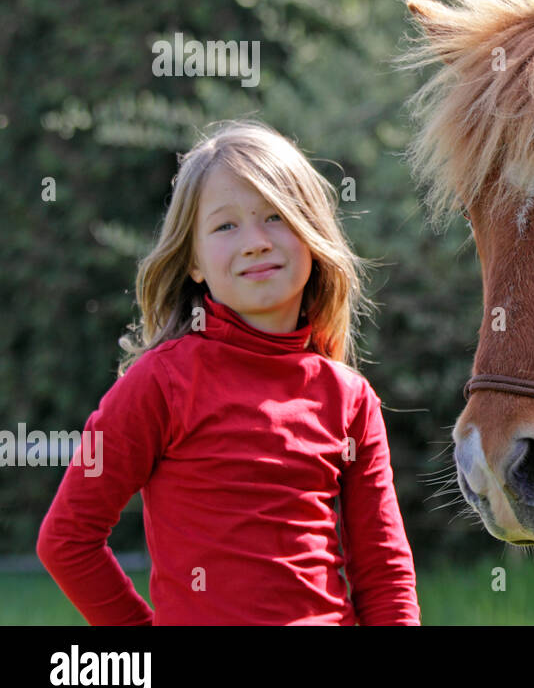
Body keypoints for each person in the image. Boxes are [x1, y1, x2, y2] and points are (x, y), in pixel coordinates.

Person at [37, 120, 421, 625]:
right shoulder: (160, 383)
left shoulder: (351, 399)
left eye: (275, 217)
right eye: (225, 226)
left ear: (312, 233)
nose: (256, 241)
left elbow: (385, 573)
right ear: (193, 261)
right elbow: (66, 540)